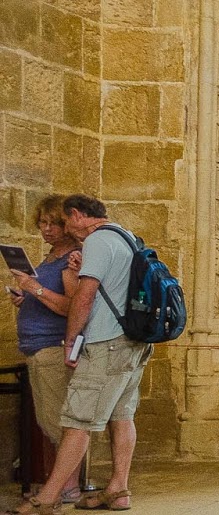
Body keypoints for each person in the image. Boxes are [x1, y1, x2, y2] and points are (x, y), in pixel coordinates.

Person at [19, 195, 152, 515]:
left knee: (77, 422)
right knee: (122, 416)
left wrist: (71, 341)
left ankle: (48, 498)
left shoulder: (96, 242)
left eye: (65, 222)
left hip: (106, 344)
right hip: (133, 341)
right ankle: (118, 490)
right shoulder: (127, 237)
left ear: (78, 215)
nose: (66, 230)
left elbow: (84, 297)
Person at [7, 196, 82, 506]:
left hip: (52, 347)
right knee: (48, 421)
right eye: (42, 223)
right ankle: (63, 485)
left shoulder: (72, 259)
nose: (47, 230)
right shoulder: (51, 257)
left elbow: (73, 307)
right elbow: (49, 299)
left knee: (58, 422)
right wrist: (27, 298)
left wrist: (34, 289)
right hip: (37, 347)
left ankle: (67, 488)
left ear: (67, 225)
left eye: (53, 223)